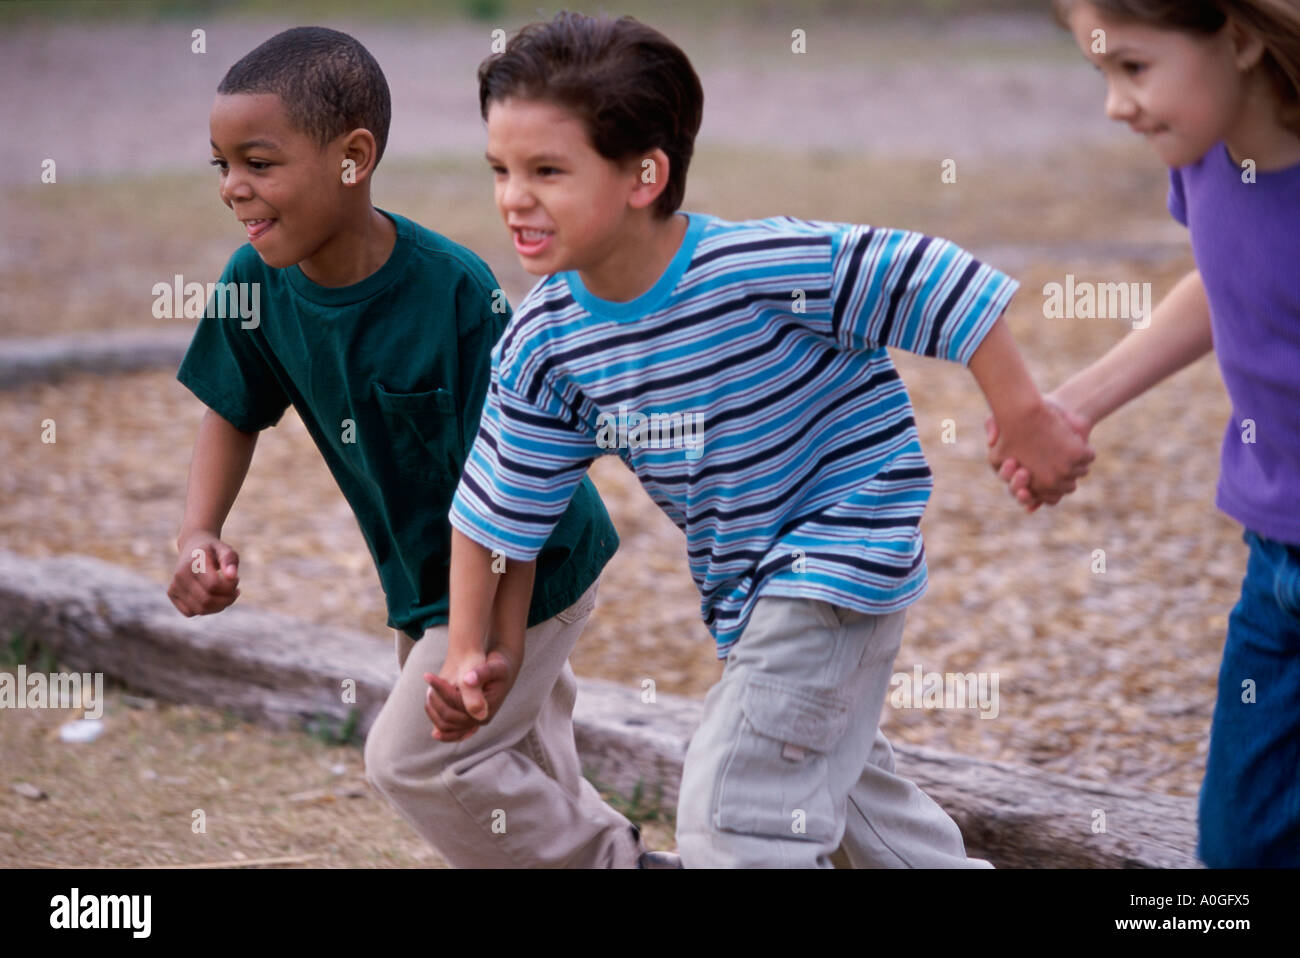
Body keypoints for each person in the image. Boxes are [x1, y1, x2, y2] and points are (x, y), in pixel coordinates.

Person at [426, 11, 1095, 867]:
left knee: (737, 806)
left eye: (547, 170)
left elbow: (932, 278)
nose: (514, 196)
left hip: (841, 551)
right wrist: (473, 653)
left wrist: (1026, 414)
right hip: (747, 593)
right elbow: (495, 511)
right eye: (501, 169)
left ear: (644, 174)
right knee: (849, 800)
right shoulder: (546, 342)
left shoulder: (752, 269)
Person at [166, 26, 649, 868]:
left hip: (530, 567)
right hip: (425, 581)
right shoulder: (255, 282)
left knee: (416, 758)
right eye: (221, 165)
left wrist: (485, 645)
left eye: (260, 162)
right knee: (518, 770)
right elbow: (232, 406)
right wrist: (196, 533)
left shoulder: (452, 291)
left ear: (353, 157)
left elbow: (517, 483)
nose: (233, 188)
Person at [992, 0, 1300, 867]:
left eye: (1133, 67)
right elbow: (1225, 268)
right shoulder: (1204, 155)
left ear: (1239, 36)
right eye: (1099, 74)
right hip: (1275, 554)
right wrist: (1075, 403)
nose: (1115, 105)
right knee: (1238, 849)